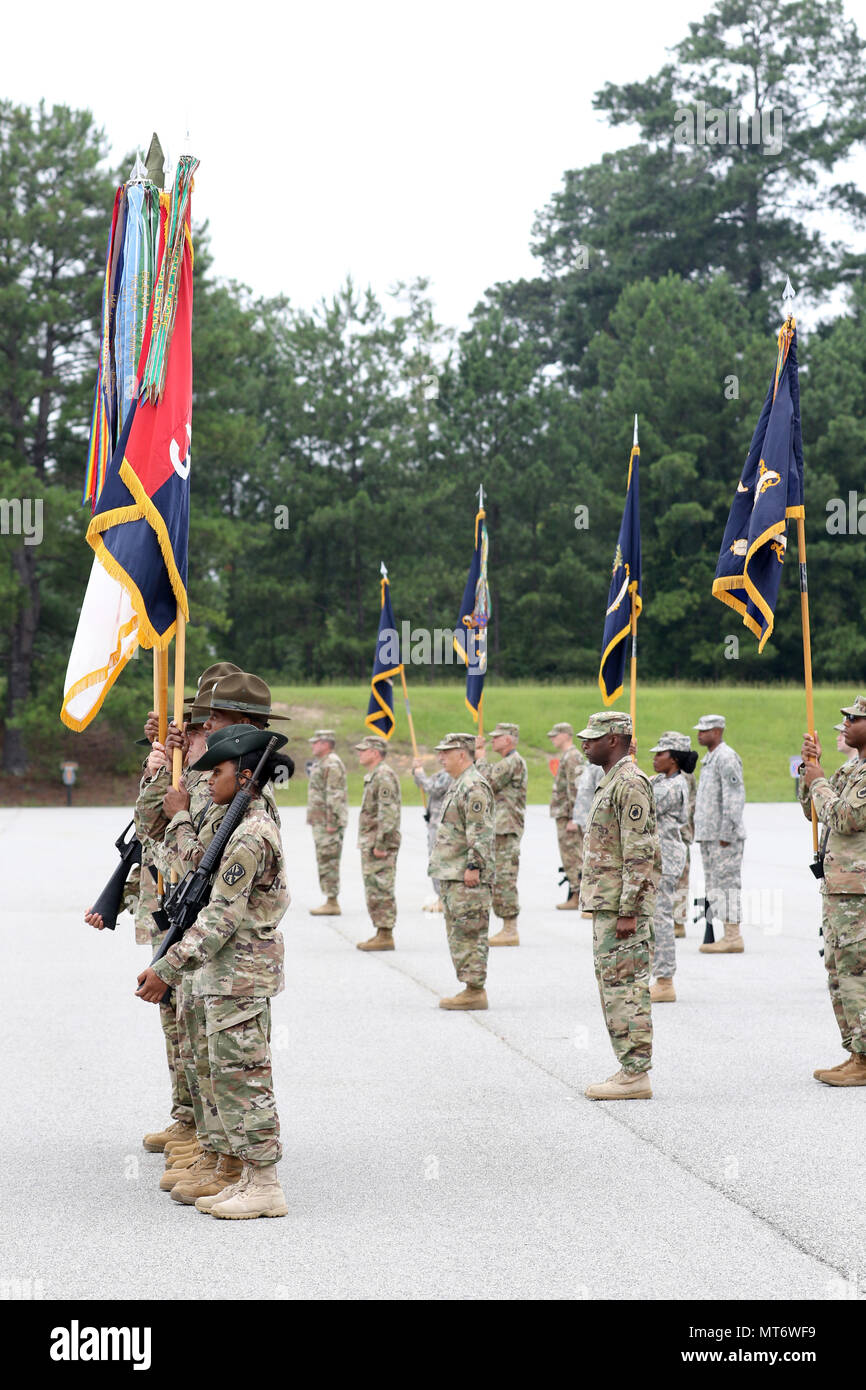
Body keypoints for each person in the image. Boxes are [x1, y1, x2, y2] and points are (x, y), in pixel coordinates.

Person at [135, 725, 293, 1219]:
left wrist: (168, 968)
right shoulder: (233, 822)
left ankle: (265, 1184)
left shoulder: (249, 835)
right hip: (223, 974)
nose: (211, 778)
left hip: (239, 976)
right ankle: (241, 1172)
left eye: (219, 771)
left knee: (246, 1080)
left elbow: (221, 917)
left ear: (245, 776)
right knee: (223, 1077)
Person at [578, 711, 660, 1100]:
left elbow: (639, 851)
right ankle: (629, 1067)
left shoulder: (629, 783)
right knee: (613, 987)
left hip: (621, 908)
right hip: (610, 904)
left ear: (614, 739)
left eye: (592, 737)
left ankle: (635, 1073)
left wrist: (629, 908)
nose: (585, 743)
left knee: (626, 987)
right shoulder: (611, 781)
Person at [799, 696, 866, 1087]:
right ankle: (856, 1051)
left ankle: (865, 1056)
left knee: (857, 970)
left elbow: (846, 817)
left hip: (858, 890)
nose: (846, 723)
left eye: (854, 718)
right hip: (840, 886)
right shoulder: (851, 769)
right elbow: (813, 809)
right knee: (838, 971)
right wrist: (809, 769)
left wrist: (819, 779)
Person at [429, 733, 495, 1010]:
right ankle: (469, 986)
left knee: (470, 932)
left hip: (466, 875)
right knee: (459, 932)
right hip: (453, 873)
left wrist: (473, 867)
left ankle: (475, 990)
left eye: (447, 752)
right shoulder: (460, 783)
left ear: (462, 754)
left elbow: (480, 832)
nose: (441, 757)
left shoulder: (474, 785)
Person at [648, 733, 697, 1002]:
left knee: (661, 917)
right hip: (658, 855)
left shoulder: (673, 786)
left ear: (674, 758)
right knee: (654, 917)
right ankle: (656, 975)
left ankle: (665, 981)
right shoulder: (662, 780)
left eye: (660, 754)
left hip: (665, 857)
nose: (654, 758)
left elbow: (642, 802)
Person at [693, 714, 746, 954]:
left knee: (727, 884)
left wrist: (727, 831)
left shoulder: (726, 757)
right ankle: (725, 934)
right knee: (715, 885)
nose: (699, 734)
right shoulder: (710, 759)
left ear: (717, 731)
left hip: (723, 836)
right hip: (710, 836)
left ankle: (733, 936)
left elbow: (734, 796)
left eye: (704, 731)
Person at [476, 722, 527, 946]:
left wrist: (480, 756)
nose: (492, 740)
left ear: (508, 739)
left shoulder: (512, 762)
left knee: (505, 878)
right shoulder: (508, 762)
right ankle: (506, 927)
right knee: (498, 877)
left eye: (497, 737)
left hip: (506, 828)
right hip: (501, 827)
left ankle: (510, 929)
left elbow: (486, 782)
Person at [355, 735, 402, 951]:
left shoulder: (383, 775)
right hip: (372, 841)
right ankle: (381, 931)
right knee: (374, 888)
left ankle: (385, 934)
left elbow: (388, 812)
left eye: (363, 750)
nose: (359, 753)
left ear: (375, 752)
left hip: (379, 844)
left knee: (381, 887)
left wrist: (381, 844)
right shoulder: (375, 775)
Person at [306, 729, 348, 916]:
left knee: (329, 860)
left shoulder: (332, 763)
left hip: (328, 822)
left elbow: (335, 794)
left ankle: (332, 901)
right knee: (324, 859)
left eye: (316, 742)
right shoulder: (323, 762)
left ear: (325, 744)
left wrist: (332, 821)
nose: (313, 745)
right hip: (321, 820)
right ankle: (329, 898)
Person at [548, 722, 588, 910]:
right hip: (564, 813)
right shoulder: (567, 756)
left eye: (556, 735)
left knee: (573, 855)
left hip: (569, 814)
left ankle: (577, 894)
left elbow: (576, 788)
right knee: (569, 855)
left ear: (566, 735)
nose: (553, 738)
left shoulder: (572, 757)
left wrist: (574, 817)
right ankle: (575, 892)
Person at [412, 759, 454, 911]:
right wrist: (417, 771)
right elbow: (425, 785)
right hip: (434, 823)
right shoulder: (442, 773)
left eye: (445, 753)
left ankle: (444, 898)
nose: (441, 757)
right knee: (435, 861)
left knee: (439, 861)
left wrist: (420, 774)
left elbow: (434, 789)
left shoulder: (450, 775)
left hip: (441, 824)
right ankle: (440, 897)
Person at [673, 750, 697, 939]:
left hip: (679, 834)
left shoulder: (683, 777)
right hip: (679, 833)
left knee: (680, 878)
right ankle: (675, 920)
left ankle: (678, 921)